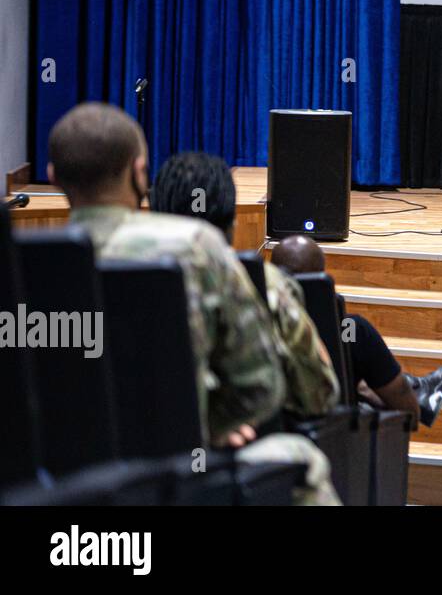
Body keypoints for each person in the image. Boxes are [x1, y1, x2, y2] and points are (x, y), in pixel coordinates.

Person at [48, 103, 338, 504]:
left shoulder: (20, 262)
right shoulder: (195, 247)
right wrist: (208, 425)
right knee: (305, 461)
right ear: (138, 172)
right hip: (174, 471)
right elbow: (260, 386)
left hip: (56, 478)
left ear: (52, 177)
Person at [149, 151, 339, 419]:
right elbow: (321, 395)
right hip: (240, 445)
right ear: (232, 223)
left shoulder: (113, 279)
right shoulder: (268, 284)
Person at [271, 234, 442, 427]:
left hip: (268, 430)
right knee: (356, 360)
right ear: (320, 279)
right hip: (332, 433)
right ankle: (418, 390)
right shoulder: (348, 328)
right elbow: (409, 414)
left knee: (356, 370)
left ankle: (413, 387)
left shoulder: (253, 323)